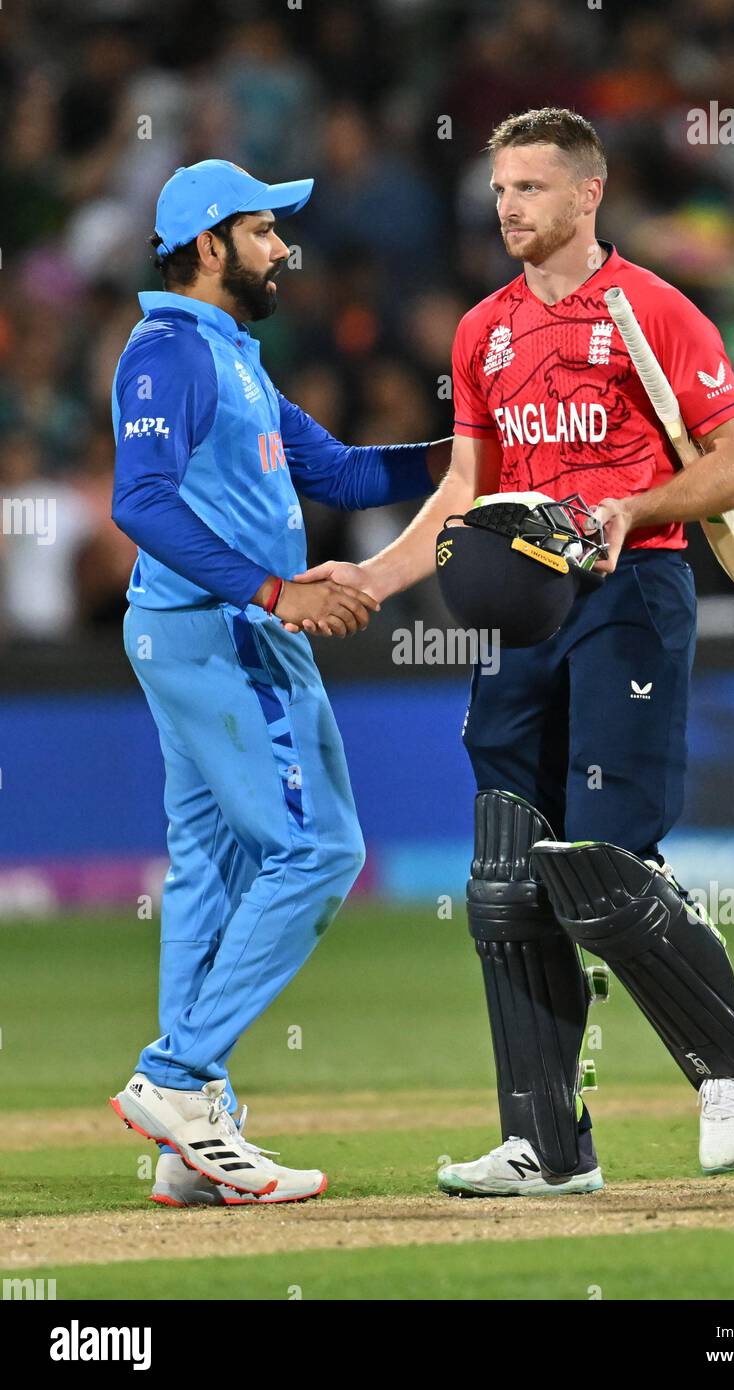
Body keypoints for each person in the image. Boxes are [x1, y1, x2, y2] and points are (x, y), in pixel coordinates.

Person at [299, 109, 734, 1196]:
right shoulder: (482, 333)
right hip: (518, 605)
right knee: (507, 880)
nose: (509, 206)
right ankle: (546, 1147)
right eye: (500, 188)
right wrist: (375, 581)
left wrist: (628, 507)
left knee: (599, 871)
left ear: (587, 195)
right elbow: (465, 492)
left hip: (631, 593)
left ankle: (733, 1064)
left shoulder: (655, 310)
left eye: (530, 187)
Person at [108, 159, 450, 1205]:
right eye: (262, 231)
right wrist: (273, 593)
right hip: (224, 628)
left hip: (203, 630)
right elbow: (141, 503)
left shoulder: (228, 355)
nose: (281, 248)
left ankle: (186, 1145)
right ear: (208, 247)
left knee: (211, 865)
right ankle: (175, 1079)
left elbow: (344, 473)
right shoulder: (166, 352)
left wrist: (473, 455)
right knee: (318, 848)